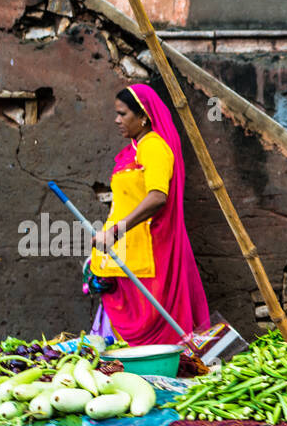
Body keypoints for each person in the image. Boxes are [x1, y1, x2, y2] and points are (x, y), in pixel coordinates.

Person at [88, 83, 210, 344]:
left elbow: (157, 197)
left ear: (143, 116)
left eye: (123, 114)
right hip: (125, 251)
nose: (117, 120)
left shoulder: (154, 148)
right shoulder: (134, 151)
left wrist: (115, 232)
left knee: (147, 327)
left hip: (148, 252)